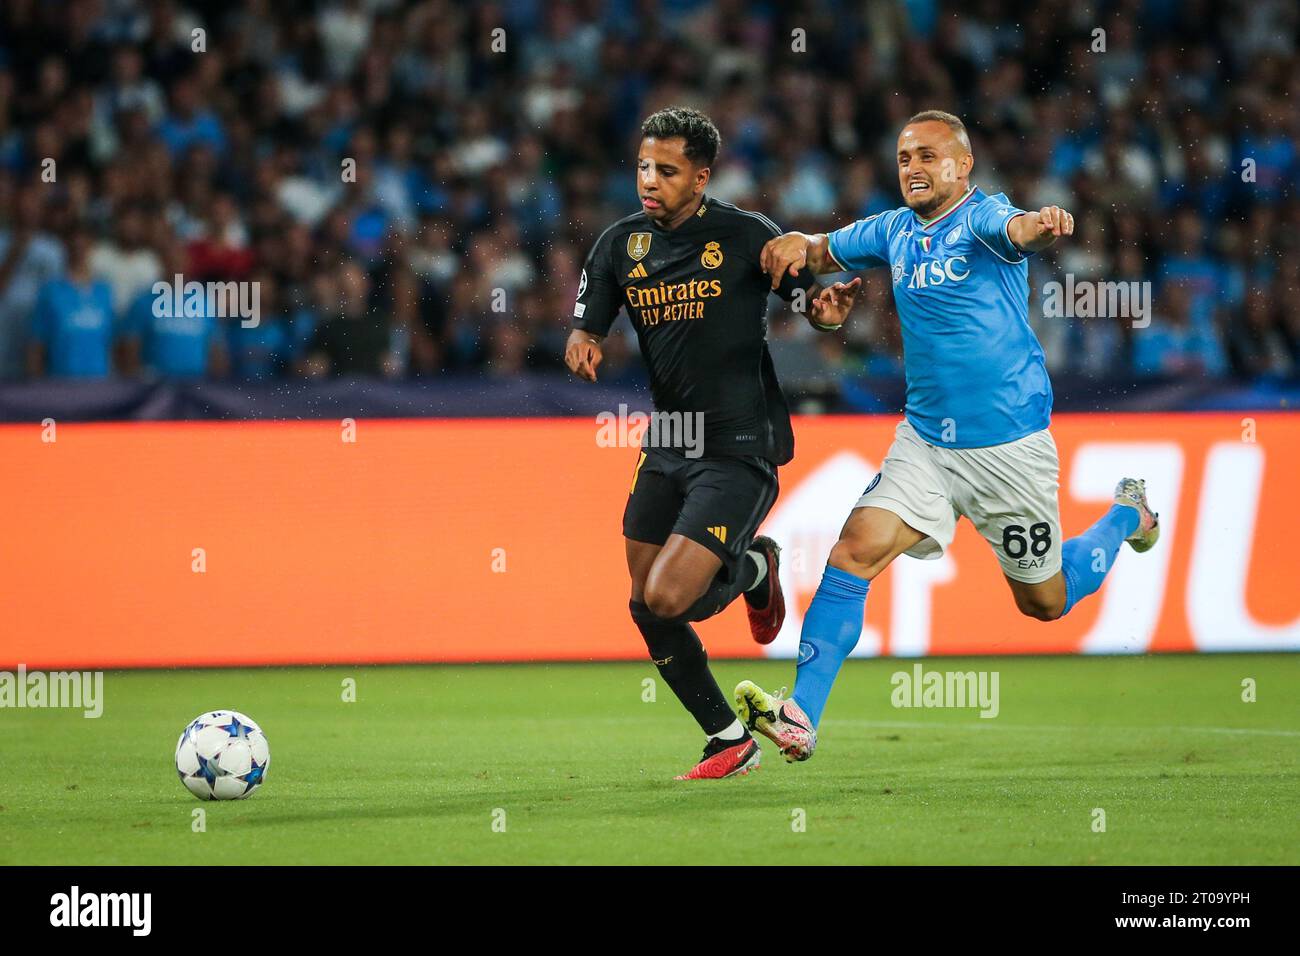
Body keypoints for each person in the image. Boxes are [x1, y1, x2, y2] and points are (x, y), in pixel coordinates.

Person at [736, 111, 1160, 763]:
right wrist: (797, 248)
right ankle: (801, 716)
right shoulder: (893, 231)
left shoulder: (985, 220)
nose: (913, 167)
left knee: (1044, 603)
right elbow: (823, 252)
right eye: (905, 157)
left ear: (962, 167)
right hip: (926, 443)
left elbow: (1015, 230)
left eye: (929, 156)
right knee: (853, 552)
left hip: (1007, 449)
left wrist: (1038, 225)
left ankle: (1128, 513)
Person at [565, 107, 860, 780]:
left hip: (737, 445)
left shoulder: (744, 233)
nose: (650, 180)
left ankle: (755, 569)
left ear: (700, 176)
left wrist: (824, 309)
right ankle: (727, 738)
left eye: (666, 171)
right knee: (644, 603)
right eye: (643, 166)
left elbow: (808, 299)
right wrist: (582, 343)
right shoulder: (619, 245)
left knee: (669, 599)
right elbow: (588, 322)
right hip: (668, 440)